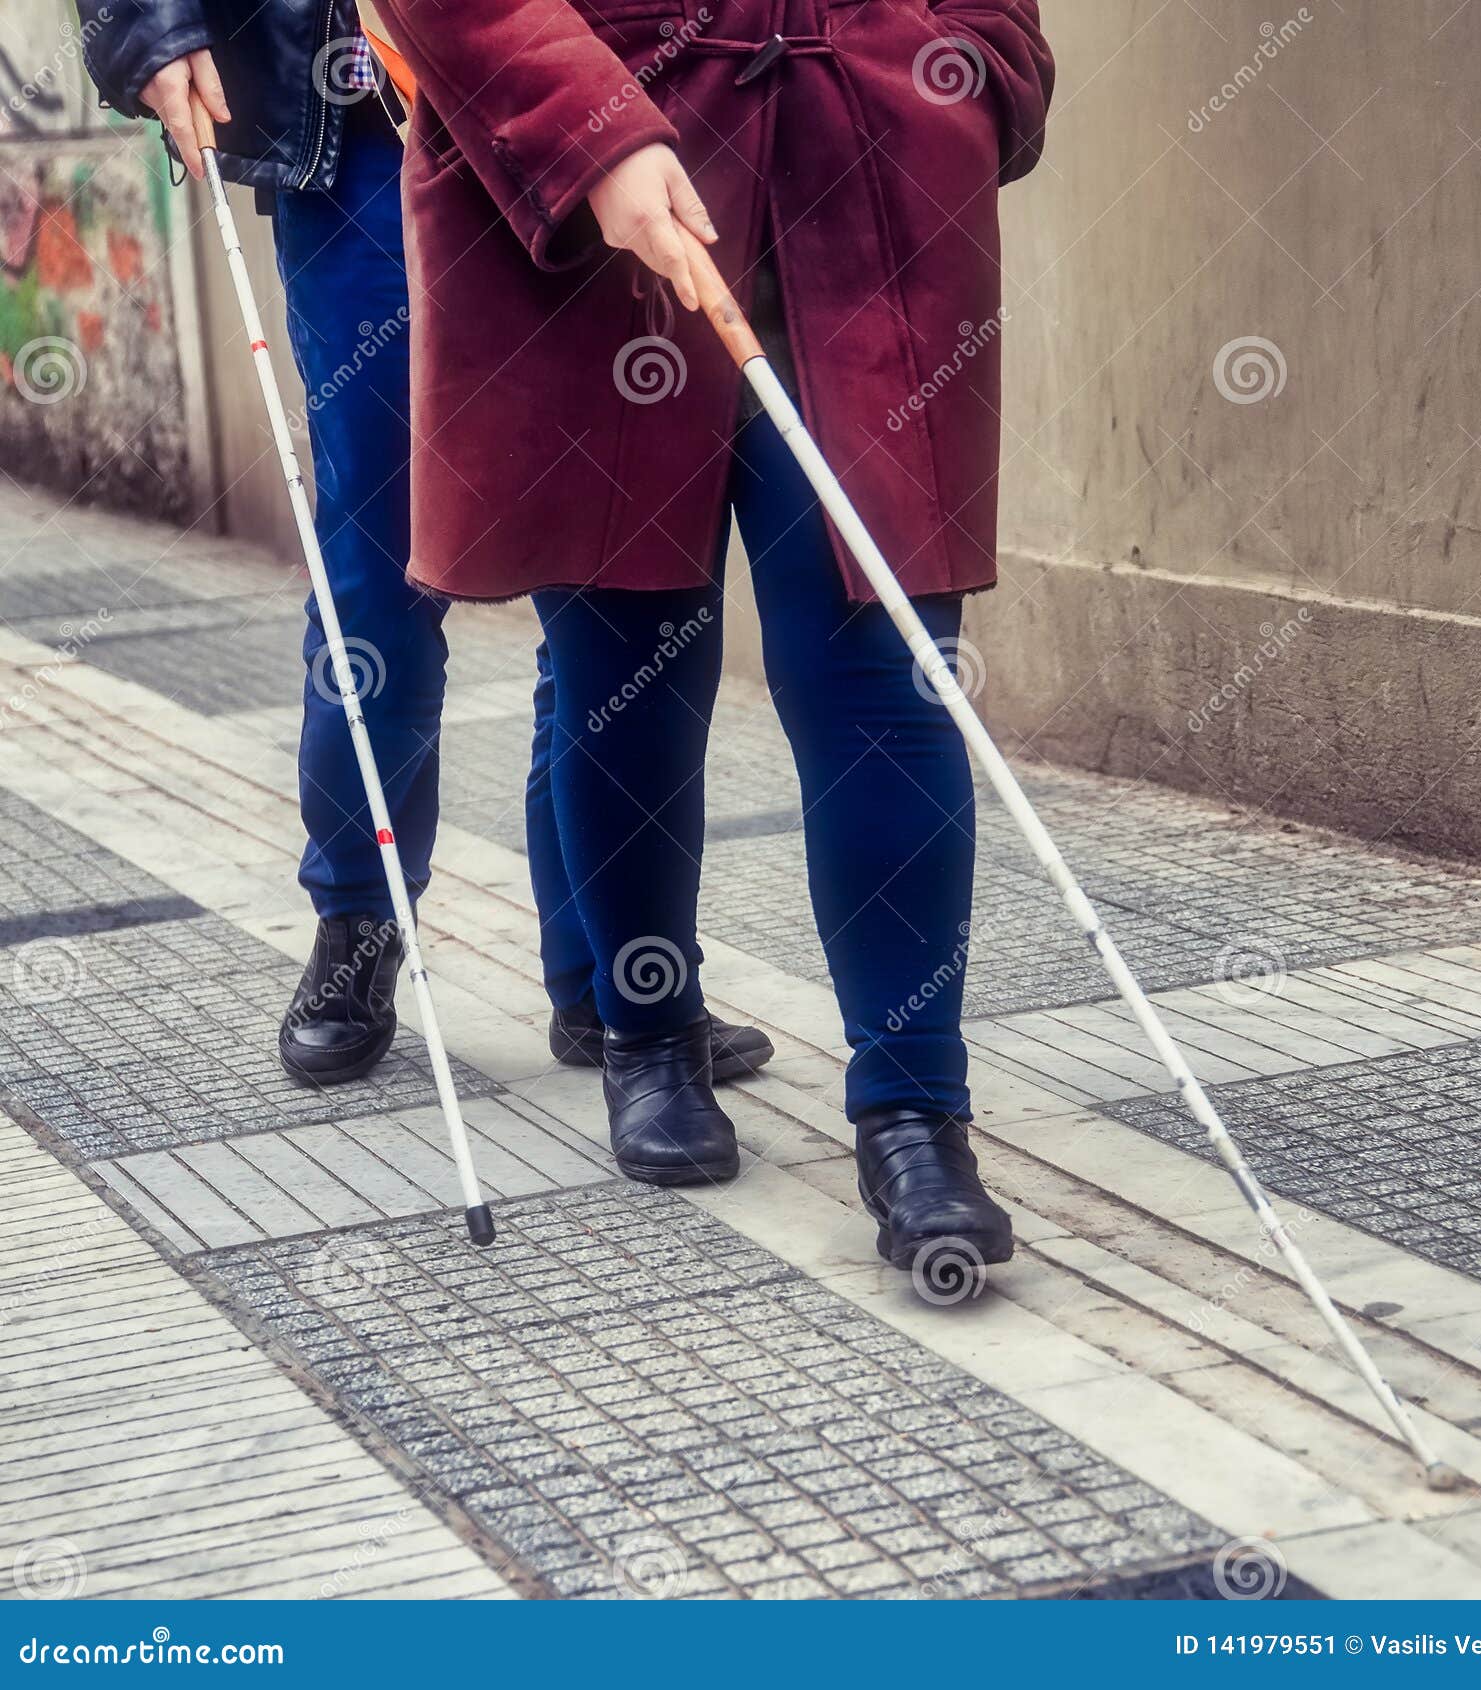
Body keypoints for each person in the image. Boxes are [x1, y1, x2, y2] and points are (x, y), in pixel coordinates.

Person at [360, 0, 1053, 1269]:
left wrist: (975, 71)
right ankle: (647, 1026)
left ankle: (914, 1110)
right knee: (626, 667)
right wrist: (593, 135)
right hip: (586, 245)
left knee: (887, 675)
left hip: (869, 207)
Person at [76, 1, 772, 1089]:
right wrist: (149, 29)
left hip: (568, 96)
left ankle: (616, 971)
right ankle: (356, 918)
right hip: (355, 128)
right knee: (375, 558)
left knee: (598, 545)